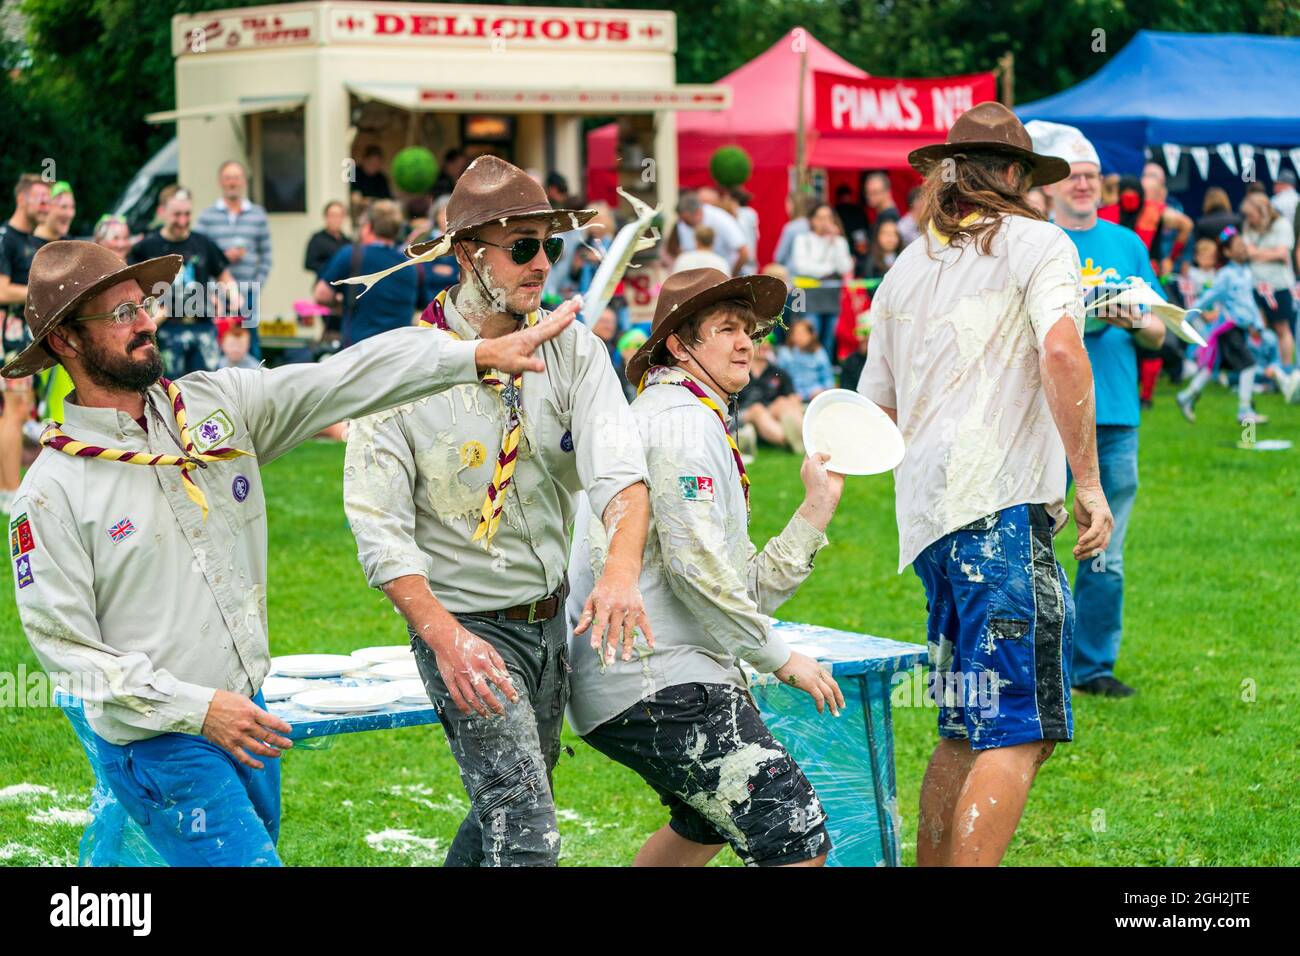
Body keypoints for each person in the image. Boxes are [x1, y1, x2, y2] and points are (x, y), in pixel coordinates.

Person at [5, 238, 573, 866]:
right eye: (119, 315)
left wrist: (470, 355)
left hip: (248, 715)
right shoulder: (50, 493)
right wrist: (201, 710)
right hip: (162, 740)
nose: (145, 323)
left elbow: (339, 379)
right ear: (64, 342)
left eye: (142, 305)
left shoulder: (212, 408)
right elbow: (70, 658)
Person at [341, 155, 653, 867]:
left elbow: (620, 473)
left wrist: (620, 571)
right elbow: (377, 528)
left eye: (549, 245)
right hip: (464, 624)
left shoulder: (572, 346)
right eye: (522, 248)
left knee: (507, 808)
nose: (542, 264)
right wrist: (445, 639)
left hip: (548, 620)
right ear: (466, 256)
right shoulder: (401, 367)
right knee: (526, 827)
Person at [859, 102, 1114, 867]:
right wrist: (1090, 484)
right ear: (1011, 175)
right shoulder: (1041, 243)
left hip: (933, 523)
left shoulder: (908, 264)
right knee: (1021, 728)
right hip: (998, 510)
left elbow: (875, 408)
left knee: (965, 727)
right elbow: (1063, 353)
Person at [568, 267, 844, 867]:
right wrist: (778, 657)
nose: (747, 342)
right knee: (794, 836)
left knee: (704, 825)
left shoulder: (694, 418)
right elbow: (699, 574)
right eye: (726, 329)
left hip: (648, 674)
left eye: (749, 330)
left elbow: (738, 589)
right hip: (653, 678)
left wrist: (815, 509)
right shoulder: (679, 424)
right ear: (679, 343)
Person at [1031, 121, 1167, 699]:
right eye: (1075, 176)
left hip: (1114, 416)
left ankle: (1092, 668)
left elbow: (1161, 333)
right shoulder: (1039, 242)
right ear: (1054, 185)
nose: (1085, 185)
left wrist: (1137, 319)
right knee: (1032, 543)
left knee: (1105, 548)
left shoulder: (1127, 245)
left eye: (1093, 177)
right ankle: (1034, 664)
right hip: (1047, 417)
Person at [128, 188, 239, 377]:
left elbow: (224, 276)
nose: (182, 221)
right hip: (164, 330)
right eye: (177, 214)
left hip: (202, 328)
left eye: (187, 214)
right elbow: (131, 289)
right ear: (162, 212)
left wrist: (235, 299)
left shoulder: (203, 243)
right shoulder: (145, 248)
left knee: (207, 390)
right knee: (170, 392)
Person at [1176, 226, 1269, 425]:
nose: (1244, 248)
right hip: (1228, 329)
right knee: (1249, 365)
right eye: (1238, 246)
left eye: (1244, 245)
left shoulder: (1246, 273)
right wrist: (1186, 318)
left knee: (1211, 369)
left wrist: (1257, 325)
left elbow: (1250, 302)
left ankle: (1186, 396)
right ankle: (1244, 410)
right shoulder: (1225, 275)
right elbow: (1209, 297)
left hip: (1241, 329)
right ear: (1227, 252)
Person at [0, 174, 51, 513]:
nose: (45, 205)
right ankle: (8, 491)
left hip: (23, 333)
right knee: (14, 410)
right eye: (40, 199)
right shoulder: (5, 238)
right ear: (22, 200)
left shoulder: (31, 241)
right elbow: (2, 291)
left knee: (19, 409)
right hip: (8, 333)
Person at [315, 200, 417, 345]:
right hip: (398, 350)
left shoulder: (351, 254)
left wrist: (340, 302)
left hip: (360, 349)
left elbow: (321, 294)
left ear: (368, 227)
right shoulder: (410, 265)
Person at [196, 161, 272, 358]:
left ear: (243, 182)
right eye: (228, 178)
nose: (232, 182)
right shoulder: (207, 216)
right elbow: (198, 254)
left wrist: (257, 285)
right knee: (219, 347)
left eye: (236, 178)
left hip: (248, 292)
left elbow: (267, 256)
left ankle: (255, 386)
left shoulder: (258, 215)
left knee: (250, 346)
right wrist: (222, 258)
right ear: (220, 181)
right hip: (217, 294)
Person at [1241, 192, 1297, 367]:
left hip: (1278, 285)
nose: (1249, 218)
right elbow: (1248, 252)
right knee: (1259, 329)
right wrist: (1271, 254)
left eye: (1252, 214)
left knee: (1282, 328)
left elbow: (1283, 253)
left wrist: (1257, 253)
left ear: (1262, 211)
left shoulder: (1282, 224)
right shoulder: (1248, 225)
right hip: (1255, 284)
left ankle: (1286, 370)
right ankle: (1265, 371)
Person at [789, 203, 852, 358]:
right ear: (812, 220)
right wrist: (828, 269)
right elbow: (802, 266)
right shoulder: (803, 239)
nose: (825, 222)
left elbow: (845, 267)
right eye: (821, 218)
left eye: (829, 218)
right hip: (808, 295)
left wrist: (835, 243)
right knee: (810, 333)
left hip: (831, 296)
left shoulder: (839, 242)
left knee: (829, 338)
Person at [737, 338, 803, 455]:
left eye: (769, 342)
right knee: (757, 409)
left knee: (782, 401)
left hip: (769, 414)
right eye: (760, 342)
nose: (765, 345)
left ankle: (799, 435)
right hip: (742, 414)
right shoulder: (740, 370)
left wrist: (791, 406)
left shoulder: (778, 372)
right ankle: (790, 441)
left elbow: (793, 398)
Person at [664, 190, 749, 276]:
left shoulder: (721, 220)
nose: (683, 223)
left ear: (698, 212)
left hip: (722, 276)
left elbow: (744, 252)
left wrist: (731, 277)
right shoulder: (682, 223)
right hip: (695, 279)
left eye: (686, 220)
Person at [777, 318, 834, 401]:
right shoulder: (785, 353)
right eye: (796, 333)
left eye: (803, 333)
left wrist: (822, 391)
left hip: (815, 394)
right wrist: (788, 393)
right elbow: (778, 376)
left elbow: (828, 378)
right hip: (792, 395)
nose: (799, 337)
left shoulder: (819, 352)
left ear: (812, 335)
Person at [304, 200, 350, 278]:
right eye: (332, 215)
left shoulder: (348, 241)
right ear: (326, 217)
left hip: (344, 286)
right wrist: (333, 268)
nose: (336, 219)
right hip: (325, 284)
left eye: (339, 215)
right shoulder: (317, 239)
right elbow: (309, 263)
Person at [773, 192, 811, 272]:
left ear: (794, 205)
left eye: (788, 203)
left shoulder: (791, 227)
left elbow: (779, 257)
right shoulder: (812, 225)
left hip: (792, 274)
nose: (786, 206)